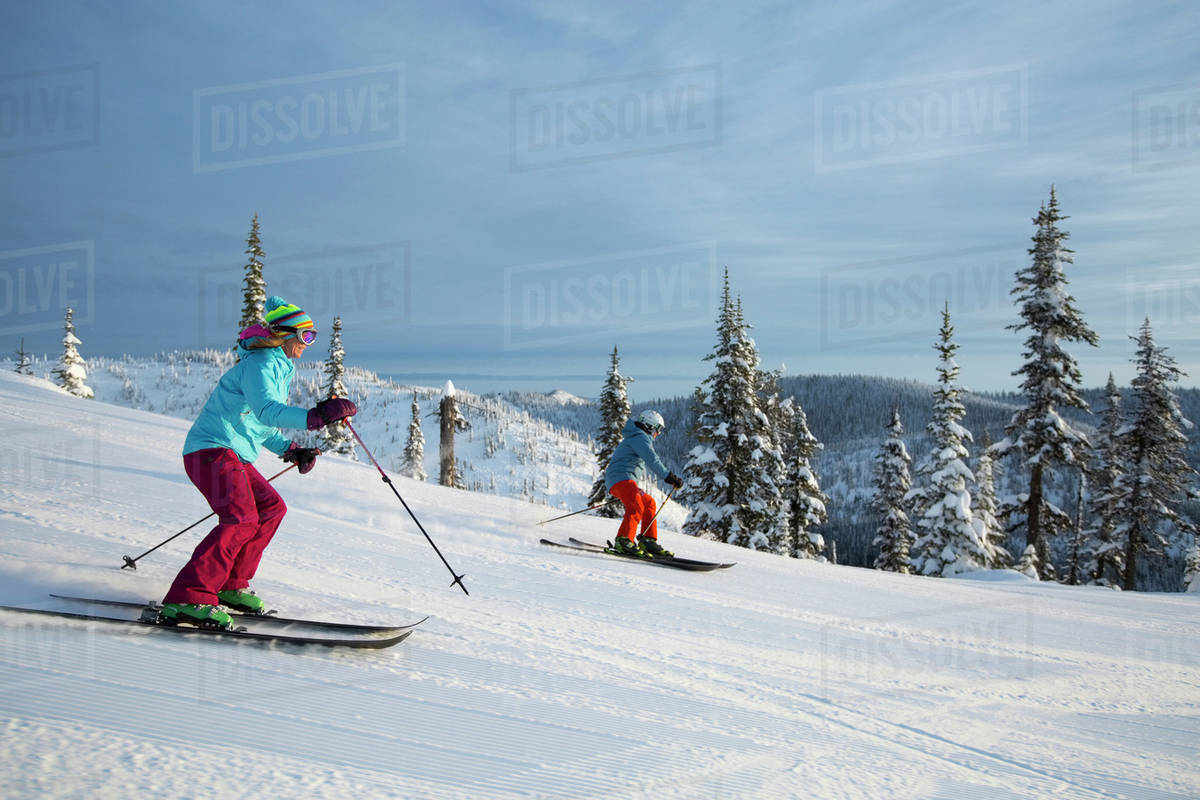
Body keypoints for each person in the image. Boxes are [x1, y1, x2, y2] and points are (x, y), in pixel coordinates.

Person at [158, 296, 357, 629]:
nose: (308, 344)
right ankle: (189, 596)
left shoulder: (276, 367)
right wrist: (315, 417)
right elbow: (267, 410)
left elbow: (257, 423)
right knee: (240, 517)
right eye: (306, 336)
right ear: (285, 334)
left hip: (231, 452)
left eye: (313, 338)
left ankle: (231, 585)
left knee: (271, 508)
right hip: (210, 450)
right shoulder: (261, 363)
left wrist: (290, 449)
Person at [603, 409, 684, 558]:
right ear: (649, 426)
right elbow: (651, 459)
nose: (658, 433)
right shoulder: (640, 437)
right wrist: (668, 476)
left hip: (624, 480)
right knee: (636, 505)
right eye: (658, 429)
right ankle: (624, 541)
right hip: (620, 478)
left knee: (648, 503)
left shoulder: (637, 436)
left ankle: (647, 540)